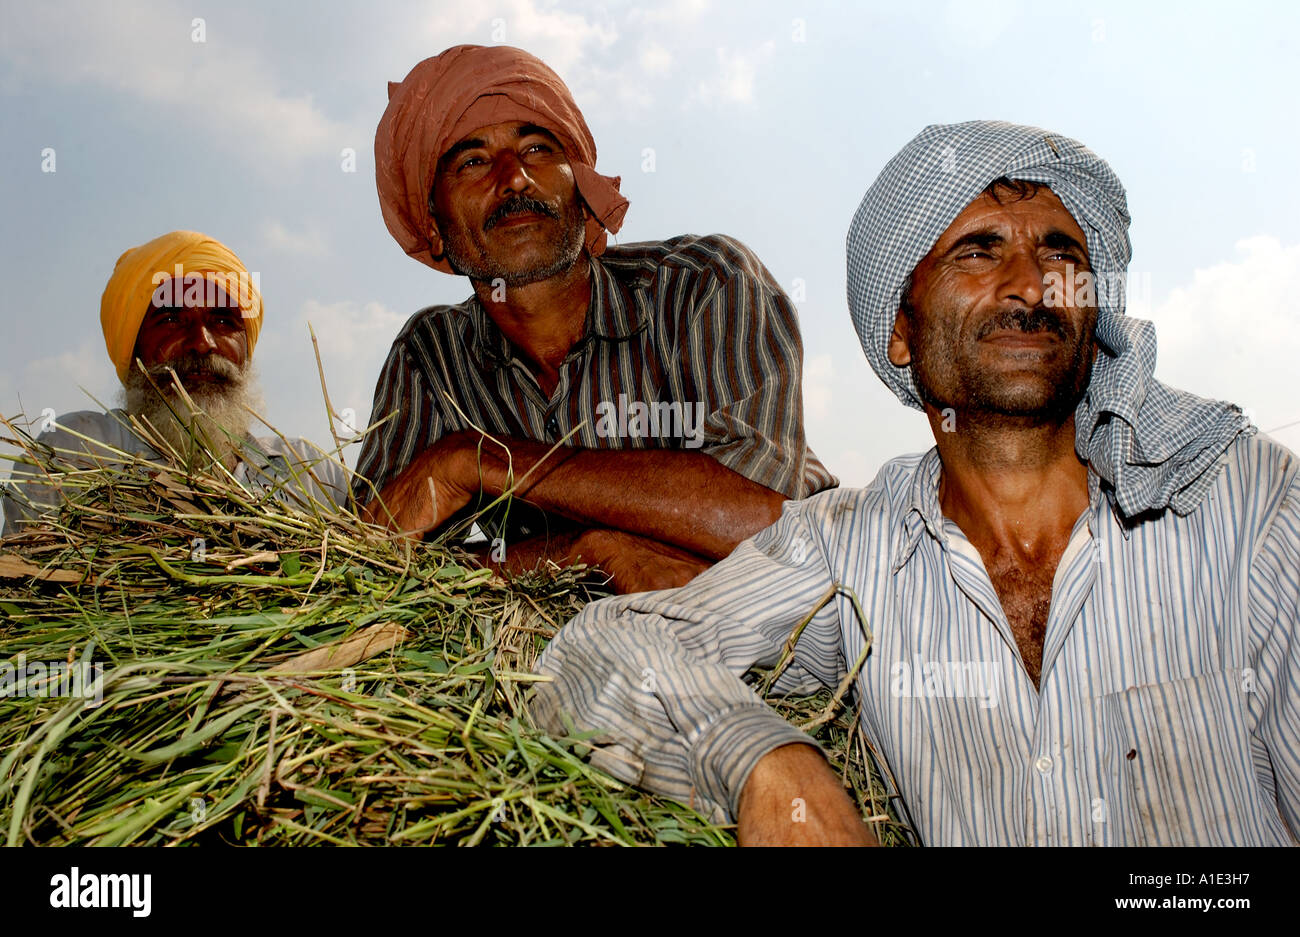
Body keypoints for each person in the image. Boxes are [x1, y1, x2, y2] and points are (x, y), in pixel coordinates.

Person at [530, 121, 1300, 846]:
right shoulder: (848, 546)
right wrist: (763, 763)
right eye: (978, 250)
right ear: (900, 330)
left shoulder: (1245, 504)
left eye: (1062, 254)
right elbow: (607, 646)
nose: (1032, 286)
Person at [357, 45, 834, 593]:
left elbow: (764, 527)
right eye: (473, 161)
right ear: (434, 225)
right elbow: (371, 565)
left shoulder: (702, 284)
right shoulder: (430, 355)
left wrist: (478, 460)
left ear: (581, 188)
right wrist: (584, 554)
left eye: (537, 148)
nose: (514, 179)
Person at [2, 231, 347, 535]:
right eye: (171, 319)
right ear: (132, 349)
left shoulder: (312, 477)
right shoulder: (75, 456)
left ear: (247, 349)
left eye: (223, 320)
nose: (202, 342)